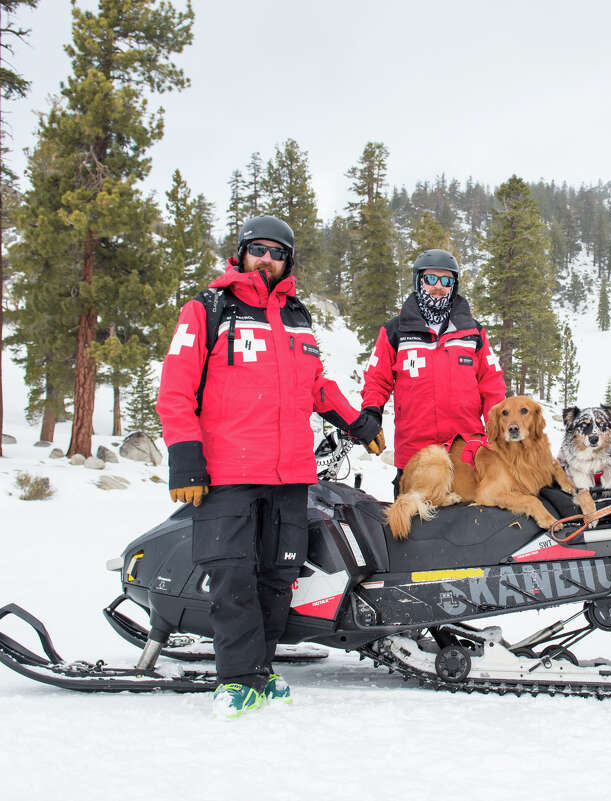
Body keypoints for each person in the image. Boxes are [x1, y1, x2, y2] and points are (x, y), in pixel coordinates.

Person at [156, 215, 383, 719]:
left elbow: (316, 385)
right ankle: (237, 679)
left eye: (277, 252)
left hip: (290, 474)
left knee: (278, 577)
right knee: (233, 577)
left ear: (288, 262)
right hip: (228, 472)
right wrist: (185, 458)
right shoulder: (207, 310)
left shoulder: (296, 316)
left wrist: (357, 423)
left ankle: (262, 670)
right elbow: (175, 389)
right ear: (240, 253)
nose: (267, 259)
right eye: (258, 249)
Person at [360, 249, 506, 495]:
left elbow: (492, 385)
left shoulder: (472, 332)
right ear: (419, 281)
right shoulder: (395, 331)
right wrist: (371, 412)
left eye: (446, 280)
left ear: (454, 285)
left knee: (469, 529)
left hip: (466, 454)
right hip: (415, 455)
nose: (439, 287)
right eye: (431, 279)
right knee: (411, 527)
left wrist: (499, 429)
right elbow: (377, 380)